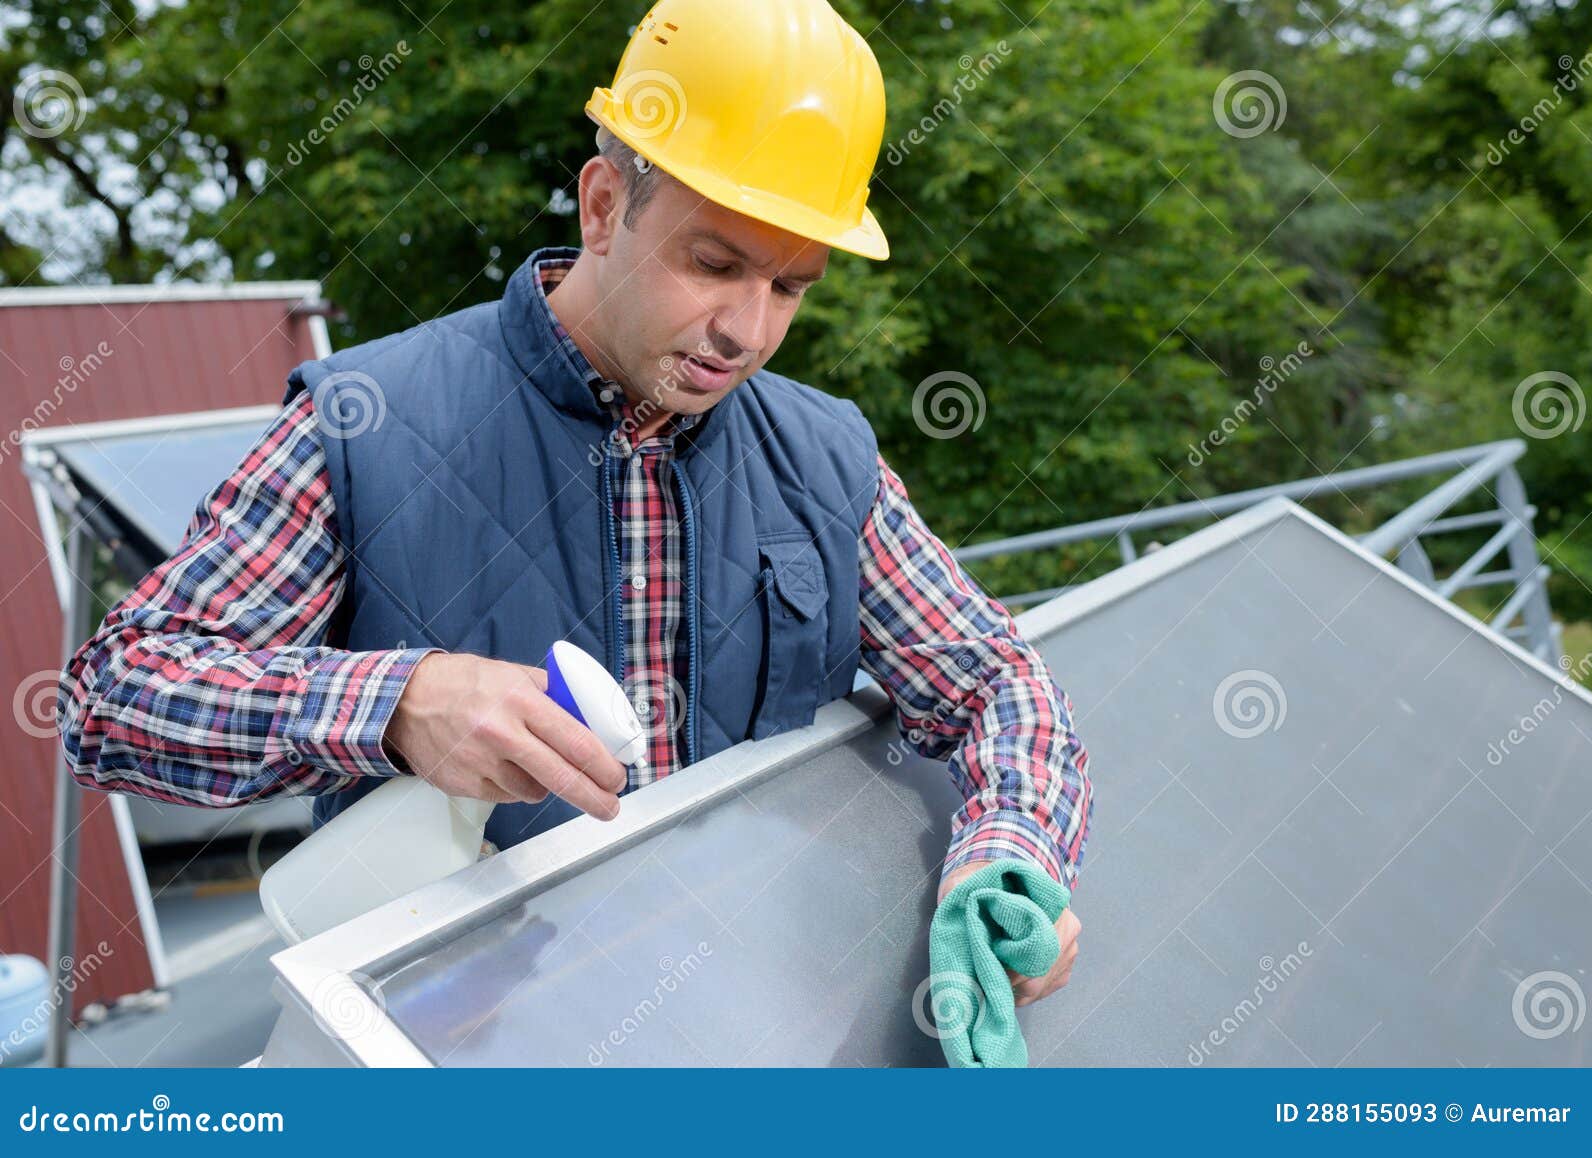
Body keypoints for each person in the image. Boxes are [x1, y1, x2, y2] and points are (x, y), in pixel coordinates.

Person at [58, 0, 1092, 1009]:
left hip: (757, 1019)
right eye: (714, 263)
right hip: (465, 1049)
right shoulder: (363, 427)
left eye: (791, 287)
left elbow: (996, 680)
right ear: (602, 206)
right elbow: (115, 698)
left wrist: (1006, 856)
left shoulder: (826, 459)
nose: (746, 329)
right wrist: (399, 704)